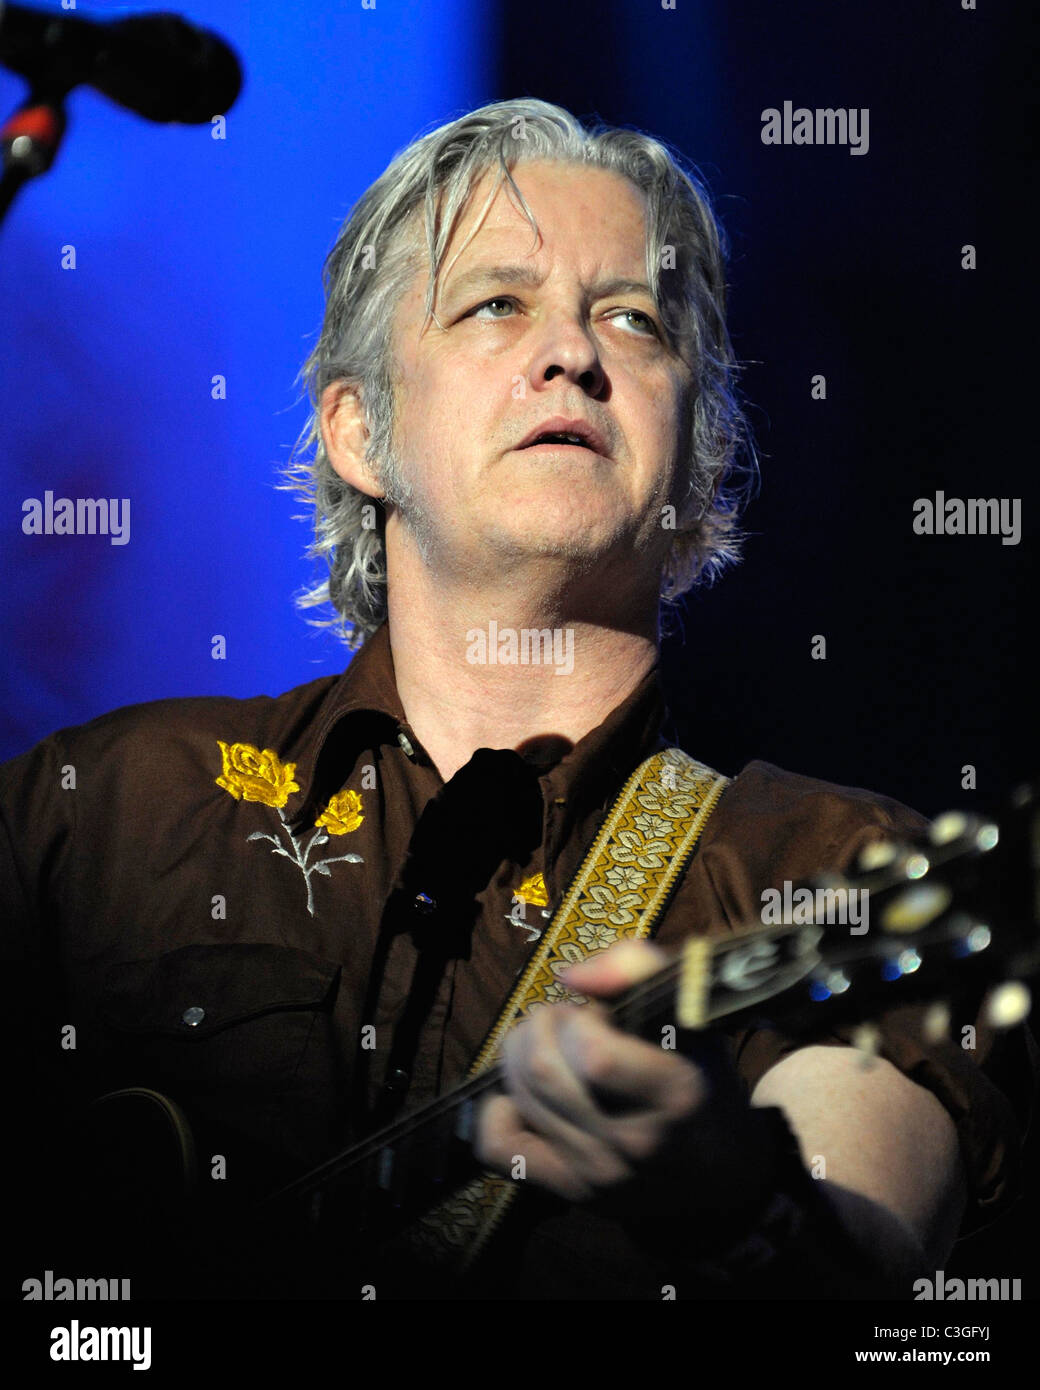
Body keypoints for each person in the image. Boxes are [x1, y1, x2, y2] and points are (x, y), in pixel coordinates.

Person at [0, 98, 1032, 1302]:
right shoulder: (102, 812)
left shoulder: (834, 867)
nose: (573, 353)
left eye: (631, 319)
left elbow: (860, 1274)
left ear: (693, 451)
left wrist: (734, 1198)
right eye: (497, 304)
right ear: (356, 431)